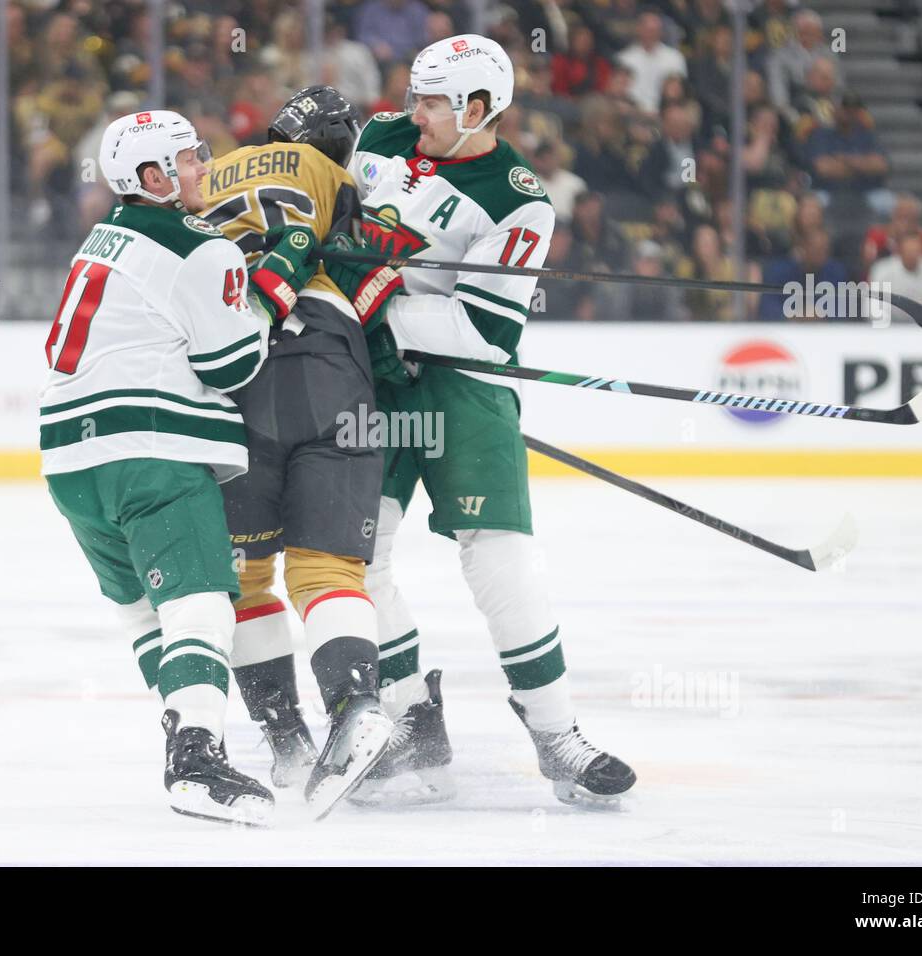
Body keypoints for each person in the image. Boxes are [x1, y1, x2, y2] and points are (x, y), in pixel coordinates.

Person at [344, 34, 637, 808]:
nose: (416, 113)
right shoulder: (377, 138)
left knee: (500, 559)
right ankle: (411, 720)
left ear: (480, 109)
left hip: (462, 391)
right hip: (372, 384)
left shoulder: (519, 202)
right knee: (355, 555)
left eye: (433, 103)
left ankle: (556, 734)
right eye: (414, 96)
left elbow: (485, 333)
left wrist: (377, 303)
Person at [39, 110, 274, 826]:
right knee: (201, 601)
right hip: (149, 449)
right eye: (189, 156)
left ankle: (186, 728)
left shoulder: (104, 234)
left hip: (69, 460)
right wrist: (269, 289)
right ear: (152, 177)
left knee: (147, 612)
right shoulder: (199, 245)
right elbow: (232, 364)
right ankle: (196, 757)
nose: (204, 163)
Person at [198, 86, 397, 817]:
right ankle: (357, 705)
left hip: (234, 377)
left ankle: (285, 742)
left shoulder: (201, 179)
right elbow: (374, 263)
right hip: (329, 357)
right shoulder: (334, 175)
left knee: (247, 578)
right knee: (328, 568)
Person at [869, 231, 922, 324]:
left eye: (915, 250)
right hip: (890, 331)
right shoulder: (883, 271)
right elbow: (873, 310)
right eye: (908, 250)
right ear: (899, 251)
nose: (912, 254)